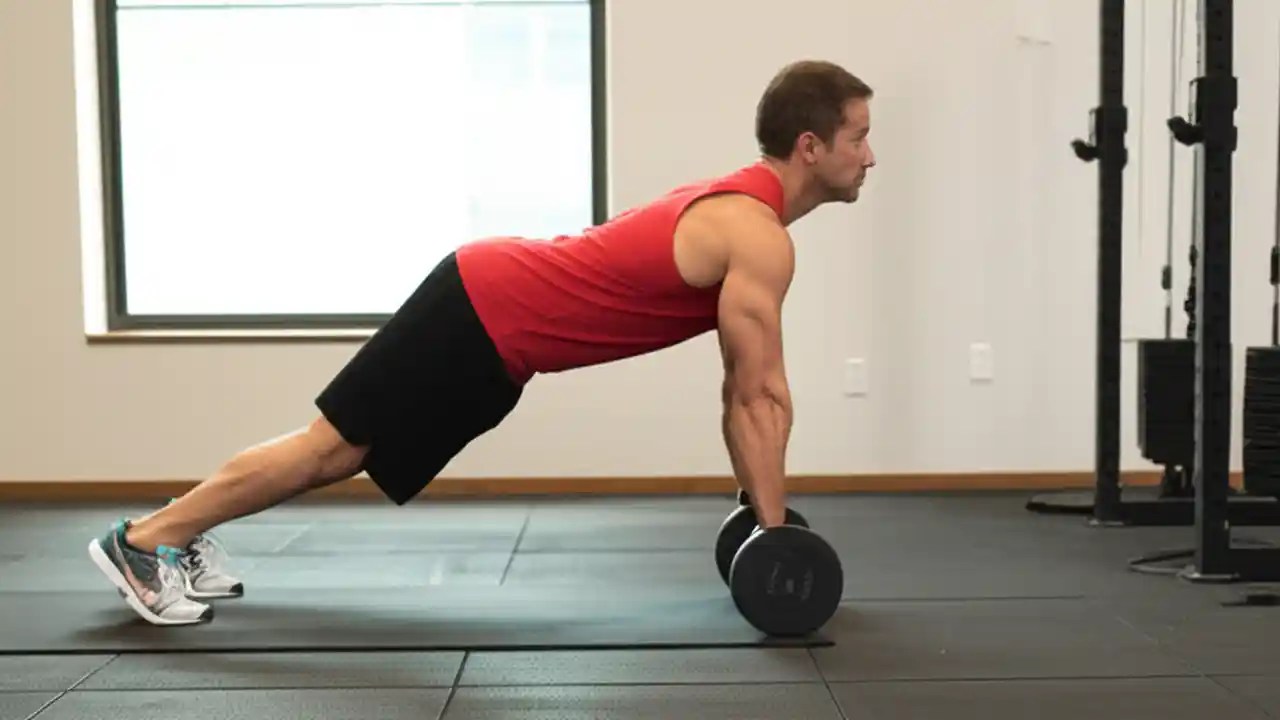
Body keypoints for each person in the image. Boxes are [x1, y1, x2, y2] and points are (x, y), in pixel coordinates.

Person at [87, 59, 876, 626]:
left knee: (340, 452)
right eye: (858, 138)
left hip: (498, 338)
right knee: (328, 448)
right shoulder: (756, 234)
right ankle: (146, 541)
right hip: (482, 306)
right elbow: (756, 396)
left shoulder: (741, 215)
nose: (869, 157)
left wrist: (760, 516)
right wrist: (772, 537)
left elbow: (744, 391)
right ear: (810, 146)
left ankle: (175, 532)